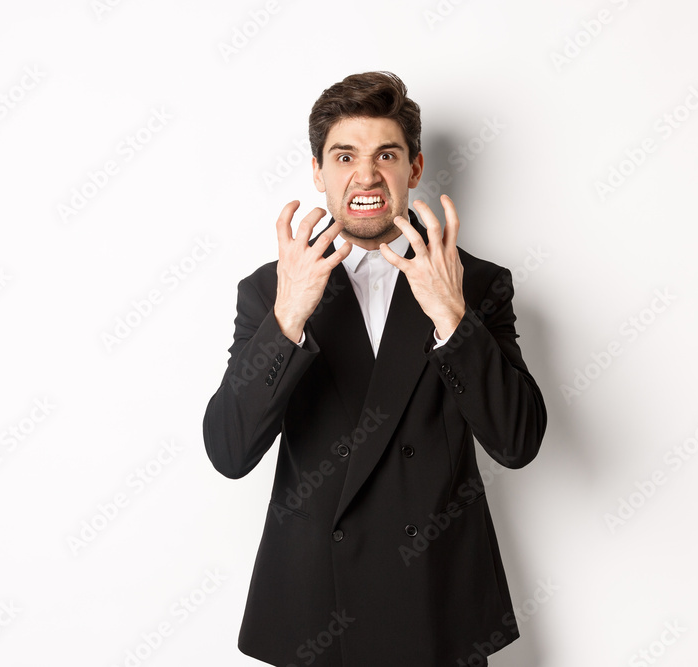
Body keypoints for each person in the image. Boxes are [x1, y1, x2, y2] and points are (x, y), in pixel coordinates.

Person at [203, 70, 547, 667]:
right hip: (315, 613)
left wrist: (450, 316)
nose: (366, 175)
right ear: (318, 172)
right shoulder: (269, 291)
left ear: (413, 170)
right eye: (345, 156)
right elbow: (230, 453)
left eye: (386, 154)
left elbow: (517, 442)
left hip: (435, 607)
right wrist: (288, 316)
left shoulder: (479, 283)